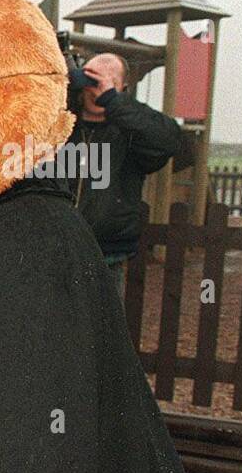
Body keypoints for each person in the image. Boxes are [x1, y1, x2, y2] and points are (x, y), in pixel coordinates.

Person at [61, 52, 183, 299]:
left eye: (106, 83)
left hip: (106, 255)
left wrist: (112, 102)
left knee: (100, 334)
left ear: (123, 89)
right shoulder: (61, 127)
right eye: (91, 80)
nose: (95, 90)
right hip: (55, 252)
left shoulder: (130, 135)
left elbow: (169, 140)